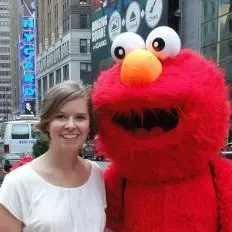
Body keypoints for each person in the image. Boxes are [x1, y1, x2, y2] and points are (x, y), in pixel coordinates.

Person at [0, 81, 107, 232]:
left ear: (90, 124)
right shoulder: (17, 183)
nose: (70, 125)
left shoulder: (96, 175)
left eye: (80, 117)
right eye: (61, 117)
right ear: (47, 123)